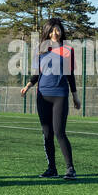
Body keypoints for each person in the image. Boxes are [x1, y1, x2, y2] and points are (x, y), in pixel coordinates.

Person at [19, 18, 81, 179]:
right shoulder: (40, 49)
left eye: (58, 29)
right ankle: (51, 169)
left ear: (61, 31)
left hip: (60, 95)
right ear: (47, 32)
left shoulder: (68, 50)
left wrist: (75, 97)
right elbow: (36, 74)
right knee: (47, 134)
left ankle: (70, 169)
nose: (55, 33)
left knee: (59, 132)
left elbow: (70, 76)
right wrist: (27, 86)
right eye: (52, 30)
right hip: (42, 96)